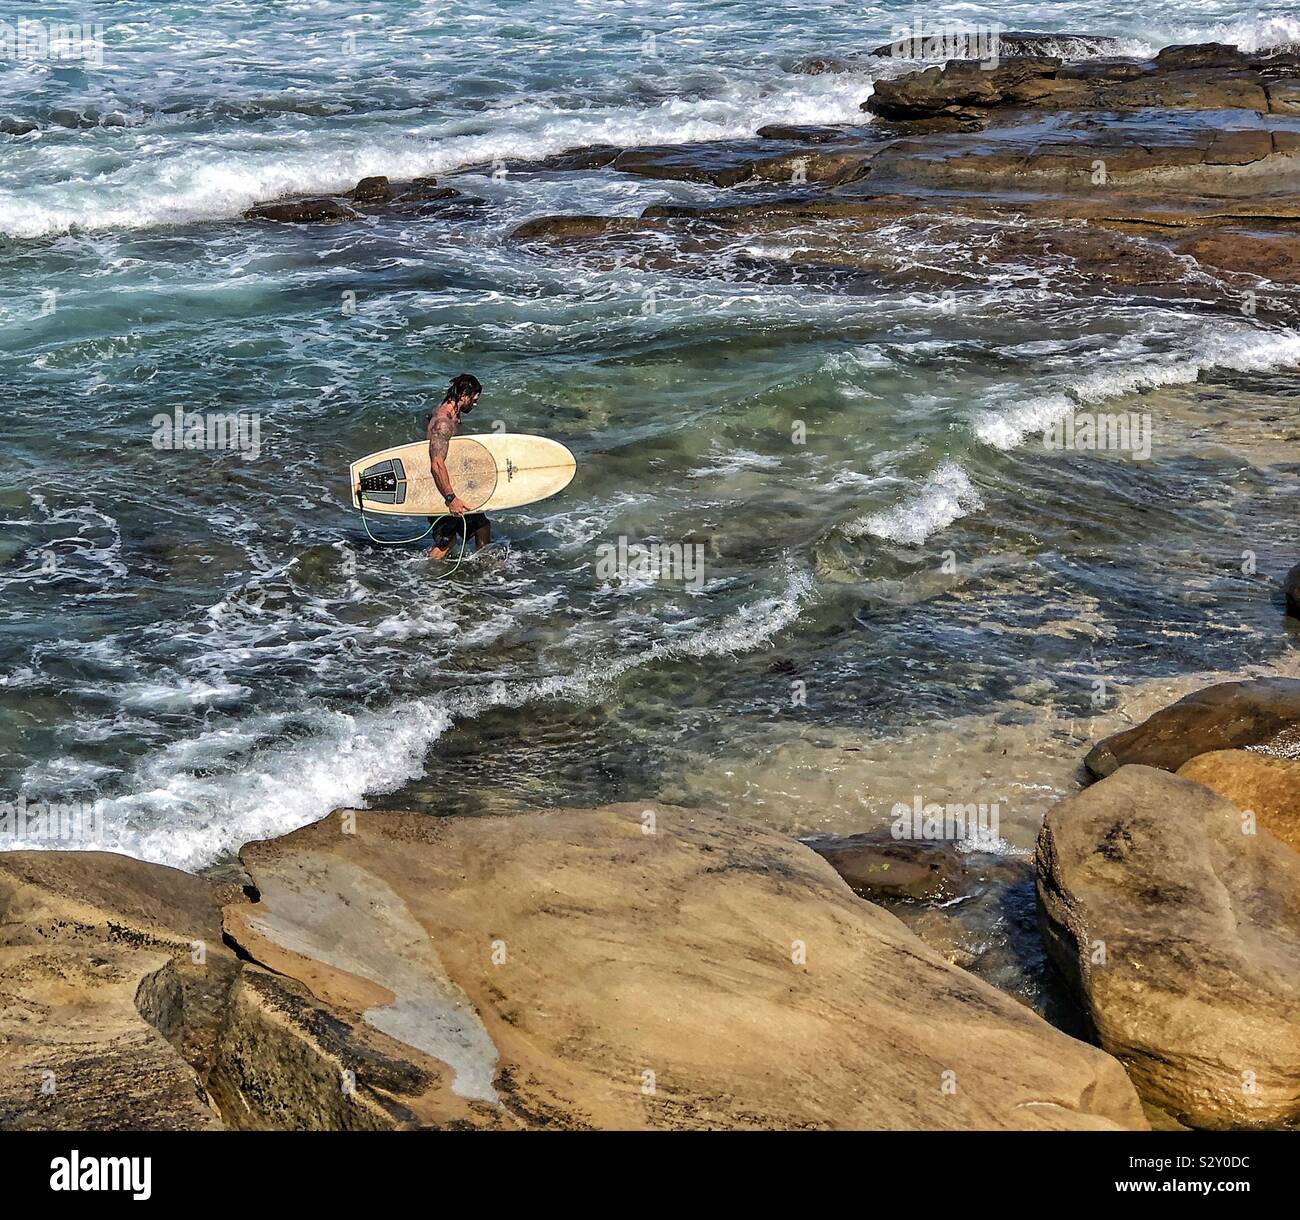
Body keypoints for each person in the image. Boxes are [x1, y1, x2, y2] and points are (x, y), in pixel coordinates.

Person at [426, 373, 491, 560]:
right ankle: (424, 576)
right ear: (464, 395)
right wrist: (450, 498)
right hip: (441, 490)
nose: (476, 404)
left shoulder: (450, 415)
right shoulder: (444, 423)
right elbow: (436, 464)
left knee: (482, 527)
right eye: (475, 399)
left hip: (452, 485)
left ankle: (484, 571)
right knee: (447, 542)